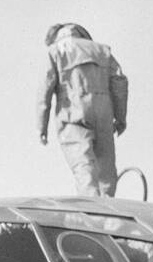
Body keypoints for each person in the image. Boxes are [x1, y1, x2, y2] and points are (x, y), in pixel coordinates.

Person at [37, 23, 129, 197]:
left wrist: (42, 126)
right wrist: (120, 117)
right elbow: (120, 81)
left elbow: (45, 89)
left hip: (73, 114)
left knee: (84, 169)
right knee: (106, 176)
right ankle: (109, 217)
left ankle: (93, 217)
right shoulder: (102, 51)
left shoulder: (55, 51)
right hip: (103, 114)